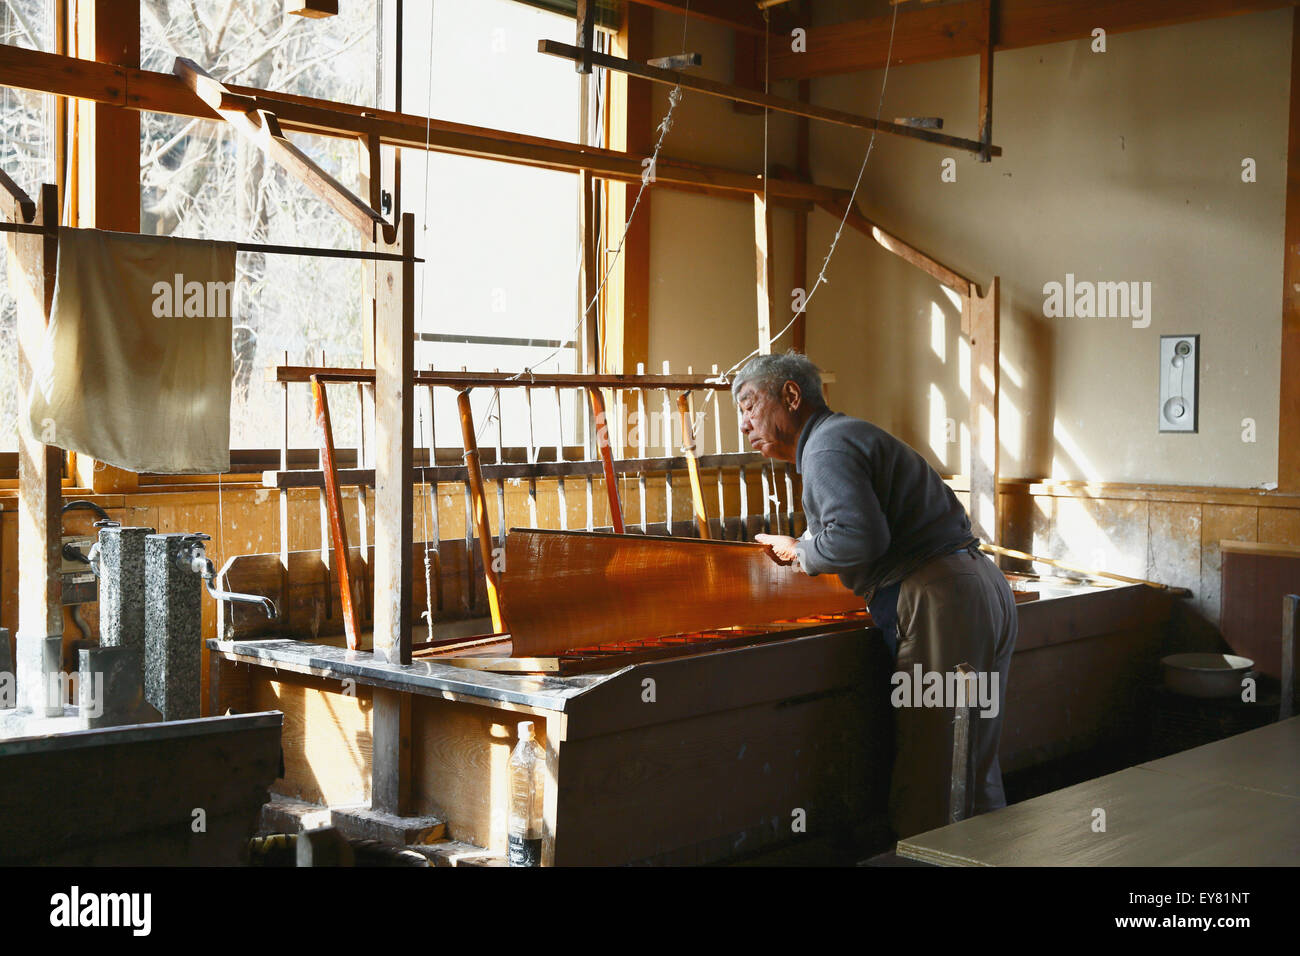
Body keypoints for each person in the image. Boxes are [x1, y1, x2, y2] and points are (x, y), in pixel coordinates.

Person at [735, 350, 1017, 840]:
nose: (743, 424)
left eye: (749, 406)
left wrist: (802, 549)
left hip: (939, 601)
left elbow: (859, 539)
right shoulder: (849, 435)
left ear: (792, 395)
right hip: (976, 586)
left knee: (934, 770)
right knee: (970, 761)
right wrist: (805, 544)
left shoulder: (824, 448)